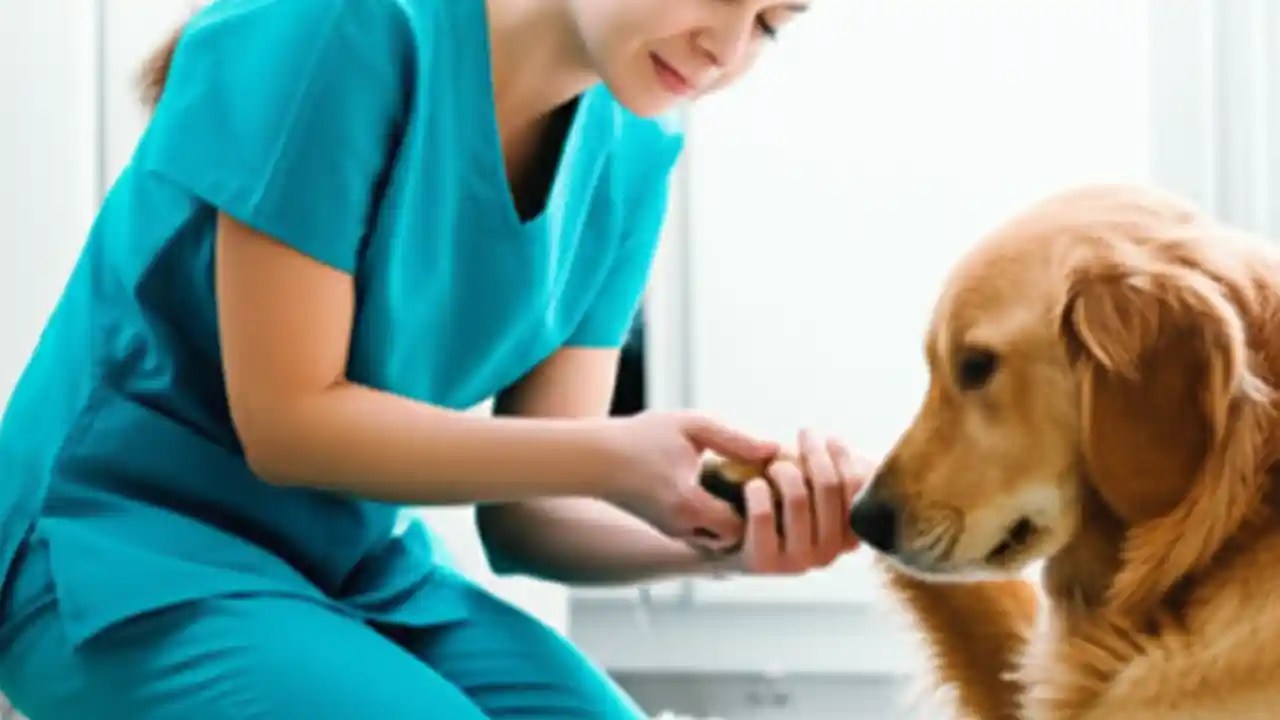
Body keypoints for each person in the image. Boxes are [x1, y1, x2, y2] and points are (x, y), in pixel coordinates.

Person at [0, 0, 868, 717]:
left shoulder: (634, 150)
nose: (727, 49)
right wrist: (615, 456)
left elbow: (532, 520)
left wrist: (725, 542)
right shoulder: (335, 23)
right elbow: (287, 425)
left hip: (351, 568)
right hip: (118, 547)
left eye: (770, 24)